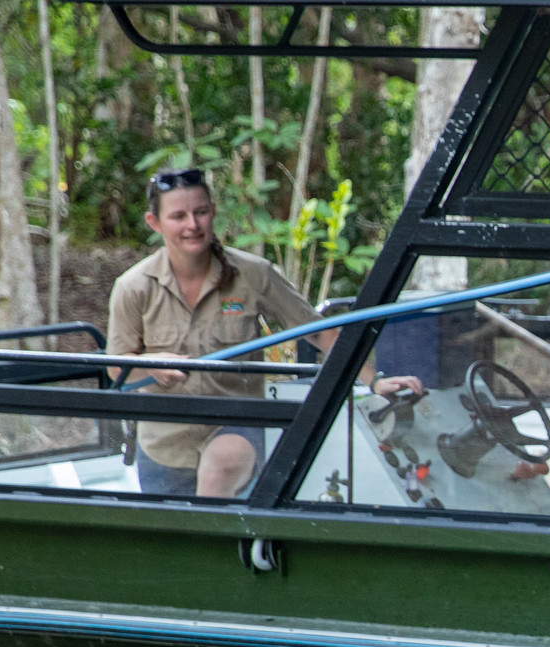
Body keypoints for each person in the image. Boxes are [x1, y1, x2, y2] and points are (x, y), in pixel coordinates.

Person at [109, 168, 422, 498]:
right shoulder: (133, 287)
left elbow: (319, 332)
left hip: (236, 425)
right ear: (154, 222)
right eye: (178, 216)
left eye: (201, 212)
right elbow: (118, 368)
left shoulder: (252, 274)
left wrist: (374, 381)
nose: (193, 225)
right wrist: (153, 365)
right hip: (163, 445)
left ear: (213, 212)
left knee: (217, 478)